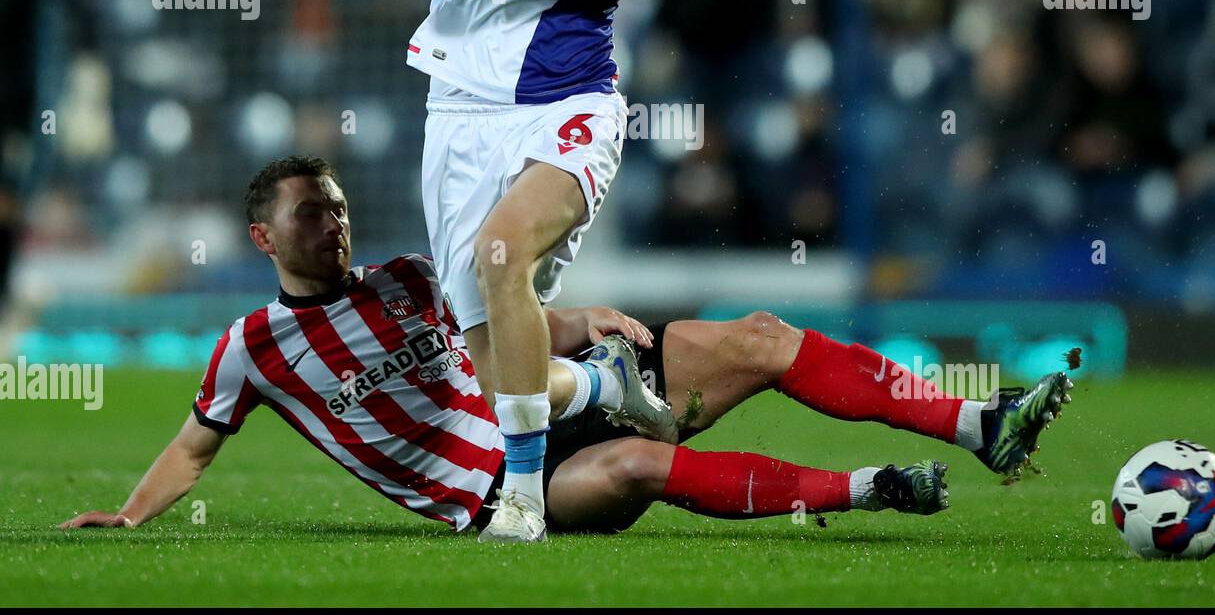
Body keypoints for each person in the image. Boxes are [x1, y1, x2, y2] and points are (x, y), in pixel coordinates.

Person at [60, 157, 1073, 537]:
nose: (332, 225)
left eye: (333, 207)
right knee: (634, 464)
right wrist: (132, 513)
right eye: (308, 217)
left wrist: (581, 317)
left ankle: (977, 422)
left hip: (544, 390)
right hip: (504, 487)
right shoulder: (255, 345)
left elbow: (499, 321)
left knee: (760, 337)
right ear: (262, 238)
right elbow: (197, 442)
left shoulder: (413, 276)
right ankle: (870, 487)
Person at [405, 0, 722, 540]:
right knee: (488, 365)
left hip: (570, 106)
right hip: (461, 107)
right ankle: (601, 384)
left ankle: (520, 497)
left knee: (502, 249)